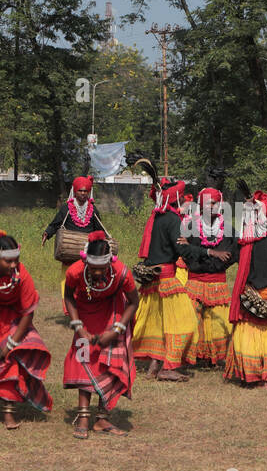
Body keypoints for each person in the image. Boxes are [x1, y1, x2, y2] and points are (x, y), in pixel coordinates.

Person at [0, 232, 52, 430]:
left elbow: (28, 312)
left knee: (11, 361)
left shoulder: (22, 274)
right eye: (9, 261)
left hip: (13, 319)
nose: (14, 265)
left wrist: (11, 344)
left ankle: (9, 413)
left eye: (16, 260)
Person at [63, 232, 138, 437]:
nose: (97, 272)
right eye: (92, 268)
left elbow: (134, 302)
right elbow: (68, 297)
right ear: (85, 261)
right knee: (84, 359)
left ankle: (102, 419)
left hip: (114, 313)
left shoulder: (121, 272)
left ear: (110, 262)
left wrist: (117, 330)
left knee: (111, 363)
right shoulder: (75, 272)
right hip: (84, 315)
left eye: (101, 268)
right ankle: (83, 417)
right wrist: (78, 327)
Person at [132, 179, 196, 380]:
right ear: (177, 198)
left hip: (151, 278)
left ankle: (153, 367)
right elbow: (181, 248)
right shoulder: (173, 219)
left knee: (159, 324)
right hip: (167, 278)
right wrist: (203, 253)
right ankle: (168, 368)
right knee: (186, 322)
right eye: (182, 196)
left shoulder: (156, 217)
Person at [225, 191, 267, 387]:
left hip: (256, 294)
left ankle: (259, 378)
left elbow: (234, 256)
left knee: (249, 336)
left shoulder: (250, 238)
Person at [182, 187, 237, 367]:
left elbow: (234, 253)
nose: (211, 206)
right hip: (195, 281)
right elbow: (184, 251)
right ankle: (193, 356)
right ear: (200, 206)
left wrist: (218, 265)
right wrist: (205, 256)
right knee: (192, 320)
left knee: (218, 322)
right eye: (207, 203)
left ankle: (216, 358)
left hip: (217, 283)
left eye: (214, 203)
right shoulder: (190, 228)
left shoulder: (228, 230)